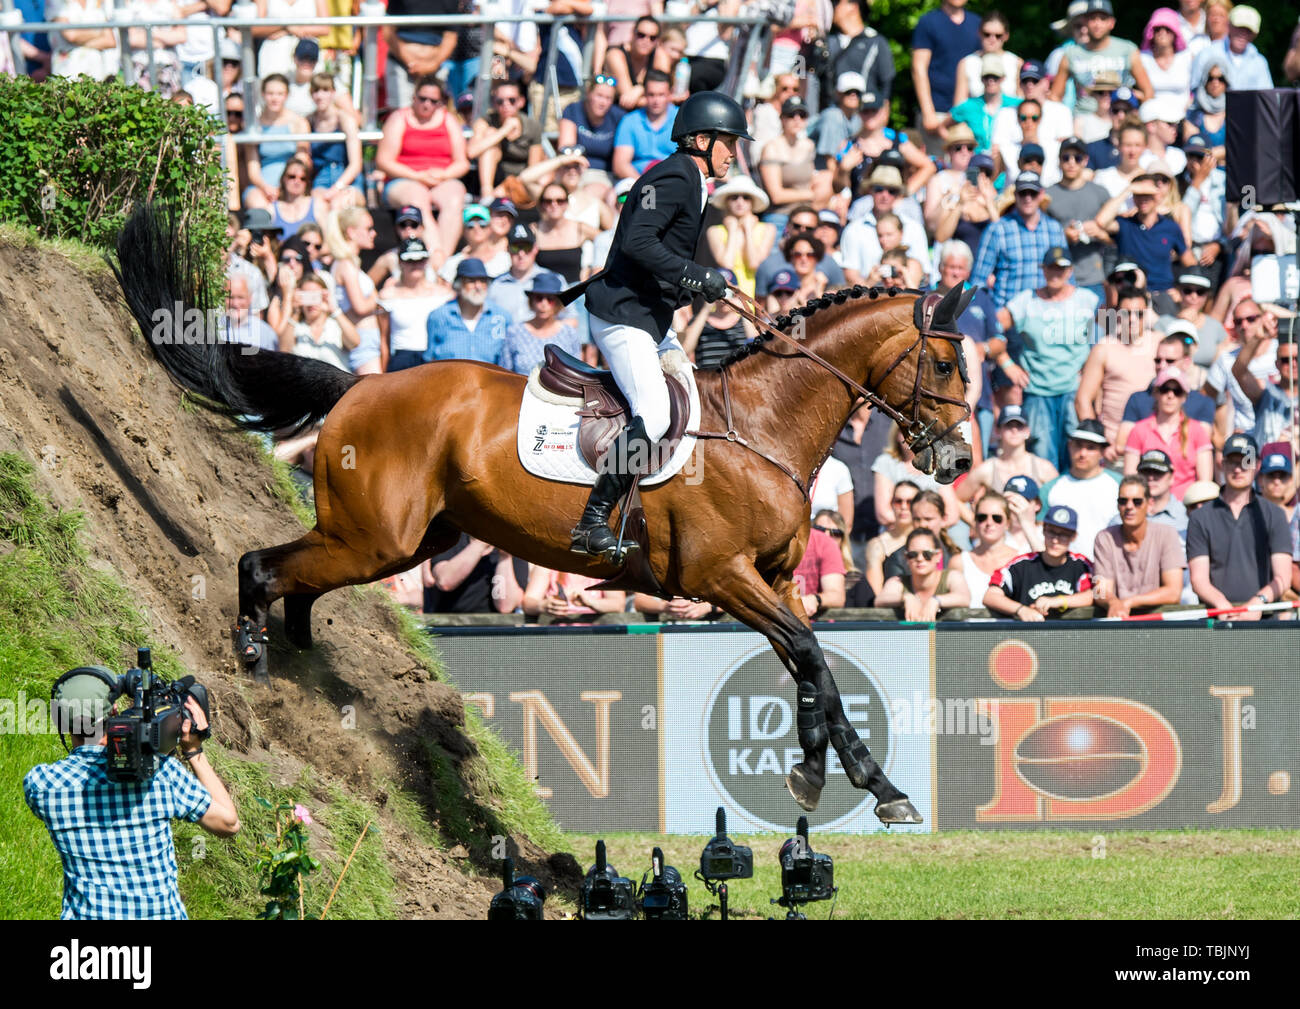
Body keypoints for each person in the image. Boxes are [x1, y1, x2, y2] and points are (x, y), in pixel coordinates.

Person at [562, 91, 746, 562]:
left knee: (693, 403)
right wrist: (696, 275)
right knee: (657, 413)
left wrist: (691, 288)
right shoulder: (675, 174)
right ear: (701, 139)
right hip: (623, 316)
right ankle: (591, 521)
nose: (734, 152)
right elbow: (638, 244)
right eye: (728, 142)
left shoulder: (693, 180)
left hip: (650, 317)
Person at [24, 684, 239, 919]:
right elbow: (228, 824)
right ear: (114, 712)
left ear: (61, 722)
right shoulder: (162, 773)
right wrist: (194, 751)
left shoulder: (42, 786)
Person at [991, 245, 1098, 469]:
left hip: (1074, 390)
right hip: (1038, 391)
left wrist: (1093, 369)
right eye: (1050, 268)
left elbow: (1117, 331)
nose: (1055, 273)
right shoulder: (1026, 301)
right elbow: (992, 328)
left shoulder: (1087, 300)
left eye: (1061, 269)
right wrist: (1006, 363)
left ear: (1070, 271)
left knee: (1078, 453)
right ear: (1042, 269)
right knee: (1042, 456)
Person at [1187, 433, 1292, 615]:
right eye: (1233, 462)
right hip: (1217, 621)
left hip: (1264, 621)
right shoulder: (1200, 518)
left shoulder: (1275, 515)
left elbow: (1283, 578)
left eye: (1246, 462)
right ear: (1222, 464)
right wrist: (1221, 604)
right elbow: (1198, 579)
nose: (1239, 469)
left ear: (1257, 465)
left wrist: (1257, 603)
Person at [375, 75, 470, 263]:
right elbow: (384, 160)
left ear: (440, 102)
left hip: (440, 178)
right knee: (417, 198)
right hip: (403, 179)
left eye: (433, 101)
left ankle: (442, 262)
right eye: (422, 99)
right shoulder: (399, 119)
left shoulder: (448, 120)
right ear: (414, 98)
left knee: (455, 196)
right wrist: (417, 175)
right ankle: (438, 260)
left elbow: (462, 162)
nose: (427, 104)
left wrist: (444, 174)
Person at [1076, 285, 1160, 452]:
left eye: (1139, 314)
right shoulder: (1104, 348)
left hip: (1155, 443)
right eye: (1126, 313)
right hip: (1115, 446)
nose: (1133, 319)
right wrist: (1100, 442)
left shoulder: (1161, 344)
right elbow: (1083, 400)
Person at [1092, 474, 1186, 616]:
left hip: (1157, 623)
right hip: (1118, 620)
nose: (1129, 506)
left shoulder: (1167, 534)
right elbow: (1100, 591)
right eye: (1123, 501)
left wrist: (1129, 602)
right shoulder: (1104, 538)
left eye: (1137, 501)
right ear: (1117, 505)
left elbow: (1173, 592)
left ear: (1150, 504)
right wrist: (1113, 603)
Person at [973, 172, 1068, 311]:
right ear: (1015, 195)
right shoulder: (997, 230)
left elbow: (1066, 275)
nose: (1028, 198)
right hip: (1007, 317)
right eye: (1023, 193)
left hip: (1047, 314)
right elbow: (979, 282)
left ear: (1041, 195)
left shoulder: (1055, 229)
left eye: (1033, 193)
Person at [983, 504, 1095, 620]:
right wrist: (1021, 609)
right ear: (1043, 531)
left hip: (1072, 635)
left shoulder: (1081, 565)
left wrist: (1058, 601)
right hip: (1028, 634)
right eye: (1051, 532)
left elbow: (1097, 595)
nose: (1055, 540)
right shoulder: (1023, 565)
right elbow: (990, 596)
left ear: (1073, 537)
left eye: (1064, 535)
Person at [1039, 419, 1122, 562]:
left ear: (1102, 452)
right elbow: (1040, 532)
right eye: (1078, 445)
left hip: (1109, 567)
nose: (1083, 453)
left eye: (1090, 447)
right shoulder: (1050, 488)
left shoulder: (1120, 485)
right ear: (1069, 446)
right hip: (1064, 572)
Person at [1124, 366, 1213, 498]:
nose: (1170, 396)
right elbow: (1131, 479)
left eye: (1177, 391)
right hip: (1148, 503)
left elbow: (1205, 483)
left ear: (1184, 397)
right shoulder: (1138, 430)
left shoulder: (1197, 430)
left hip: (1186, 505)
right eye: (1165, 389)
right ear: (1156, 393)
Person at [1050, 0, 1153, 114]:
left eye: (1102, 19)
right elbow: (1055, 96)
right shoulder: (1071, 54)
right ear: (1085, 22)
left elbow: (1148, 92)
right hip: (1084, 120)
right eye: (1093, 18)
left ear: (1111, 23)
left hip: (1120, 117)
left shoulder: (1128, 50)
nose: (1097, 24)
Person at [911, 0, 982, 154]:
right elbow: (919, 68)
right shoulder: (928, 22)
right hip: (938, 113)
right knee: (937, 168)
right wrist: (928, 113)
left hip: (969, 115)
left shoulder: (977, 23)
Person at [1044, 137, 1110, 301]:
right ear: (1059, 161)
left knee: (1097, 326)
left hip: (1093, 276)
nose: (1071, 163)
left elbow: (1116, 236)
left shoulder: (1100, 193)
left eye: (1077, 158)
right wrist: (1063, 236)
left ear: (1085, 161)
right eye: (1066, 158)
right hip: (1058, 278)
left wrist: (1100, 233)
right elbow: (1039, 235)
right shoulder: (1047, 195)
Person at [958, 405, 1058, 503]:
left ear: (1027, 431)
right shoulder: (986, 469)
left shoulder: (1044, 468)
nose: (1014, 430)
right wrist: (973, 519)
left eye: (1019, 426)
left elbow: (1060, 500)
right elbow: (957, 499)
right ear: (998, 431)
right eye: (1008, 425)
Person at [327, 206, 385, 374]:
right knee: (374, 397)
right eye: (368, 229)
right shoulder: (345, 265)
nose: (373, 233)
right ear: (351, 232)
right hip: (362, 341)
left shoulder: (349, 263)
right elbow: (359, 306)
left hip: (367, 340)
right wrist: (380, 296)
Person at [380, 238, 449, 372]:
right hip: (402, 359)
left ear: (427, 261)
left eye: (420, 260)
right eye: (410, 260)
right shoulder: (387, 296)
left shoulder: (444, 294)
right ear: (400, 262)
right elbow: (384, 341)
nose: (415, 265)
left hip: (436, 358)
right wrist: (381, 374)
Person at [243, 75, 312, 210]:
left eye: (280, 94)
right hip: (262, 187)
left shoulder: (299, 123)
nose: (275, 98)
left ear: (287, 95)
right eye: (270, 93)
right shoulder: (254, 126)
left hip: (292, 184)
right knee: (257, 203)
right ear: (263, 95)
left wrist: (285, 187)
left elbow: (302, 160)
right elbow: (253, 168)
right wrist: (266, 188)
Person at [469, 79, 545, 200]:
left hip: (519, 183)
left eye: (512, 100)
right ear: (494, 103)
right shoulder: (485, 121)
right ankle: (487, 196)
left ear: (521, 102)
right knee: (490, 132)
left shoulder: (532, 126)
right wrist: (504, 130)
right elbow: (472, 152)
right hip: (492, 182)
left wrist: (507, 186)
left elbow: (533, 170)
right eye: (500, 101)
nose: (506, 104)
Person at [424, 258, 511, 365]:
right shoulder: (439, 316)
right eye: (471, 281)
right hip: (450, 380)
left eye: (482, 280)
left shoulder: (502, 317)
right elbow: (429, 360)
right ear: (458, 284)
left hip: (491, 380)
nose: (478, 286)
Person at [876, 527, 971, 620]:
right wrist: (905, 598)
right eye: (913, 554)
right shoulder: (898, 582)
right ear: (906, 558)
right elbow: (880, 600)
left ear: (938, 556)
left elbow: (964, 598)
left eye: (927, 554)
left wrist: (936, 600)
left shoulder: (952, 577)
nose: (920, 559)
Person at [705, 175, 775, 300]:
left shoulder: (768, 228)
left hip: (757, 297)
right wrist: (732, 230)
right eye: (734, 197)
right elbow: (727, 264)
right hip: (726, 298)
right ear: (727, 201)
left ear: (752, 201)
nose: (740, 201)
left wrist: (747, 230)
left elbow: (754, 263)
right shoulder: (714, 231)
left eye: (746, 197)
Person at [275, 269, 359, 371]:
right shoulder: (296, 327)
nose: (311, 303)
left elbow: (355, 343)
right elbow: (284, 350)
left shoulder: (335, 325)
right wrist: (296, 311)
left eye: (315, 296)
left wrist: (333, 309)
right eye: (306, 296)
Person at [758, 97, 822, 230]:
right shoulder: (771, 148)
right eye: (791, 115)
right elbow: (776, 196)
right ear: (782, 118)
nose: (797, 119)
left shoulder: (809, 146)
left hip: (806, 215)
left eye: (802, 115)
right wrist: (810, 194)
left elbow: (815, 181)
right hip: (780, 216)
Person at [1231, 323, 1298, 451]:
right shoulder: (1266, 390)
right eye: (1286, 360)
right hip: (1266, 467)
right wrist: (1258, 337)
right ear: (1277, 364)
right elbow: (1239, 371)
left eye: (1297, 359)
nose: (1293, 364)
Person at [501, 273, 583, 375]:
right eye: (539, 298)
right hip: (521, 388)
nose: (544, 304)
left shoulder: (569, 333)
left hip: (559, 390)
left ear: (557, 303)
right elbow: (505, 372)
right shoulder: (514, 332)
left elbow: (577, 372)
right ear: (531, 301)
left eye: (550, 299)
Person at [424, 534, 528, 615]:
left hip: (497, 633)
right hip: (449, 630)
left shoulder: (513, 546)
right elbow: (445, 581)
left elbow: (505, 607)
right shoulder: (452, 538)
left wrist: (505, 558)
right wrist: (481, 543)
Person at [951, 490, 1019, 612]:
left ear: (1008, 523)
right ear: (975, 522)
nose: (989, 523)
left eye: (997, 518)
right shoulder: (959, 562)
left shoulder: (1020, 560)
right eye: (982, 517)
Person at [559, 76, 627, 195]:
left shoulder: (619, 117)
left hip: (604, 175)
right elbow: (567, 150)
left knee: (592, 192)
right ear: (588, 93)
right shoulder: (573, 110)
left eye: (608, 98)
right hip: (575, 170)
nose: (603, 102)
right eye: (599, 96)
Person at [307, 72, 364, 211]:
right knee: (316, 206)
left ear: (333, 93)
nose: (320, 96)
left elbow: (356, 164)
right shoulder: (309, 120)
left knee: (338, 205)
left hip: (347, 177)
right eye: (316, 91)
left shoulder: (344, 119)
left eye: (325, 90)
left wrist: (337, 188)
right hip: (321, 178)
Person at [678, 269, 756, 367]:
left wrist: (743, 309)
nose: (724, 296)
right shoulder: (700, 321)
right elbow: (685, 349)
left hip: (739, 379)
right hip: (708, 379)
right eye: (718, 290)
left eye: (728, 291)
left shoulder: (743, 322)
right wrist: (705, 310)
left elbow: (756, 344)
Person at [1188, 4, 1272, 91]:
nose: (1242, 34)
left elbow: (1266, 96)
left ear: (1255, 35)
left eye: (1248, 31)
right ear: (1229, 26)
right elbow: (1194, 91)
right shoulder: (1207, 54)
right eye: (1239, 28)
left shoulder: (1259, 62)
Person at [612, 71, 679, 179]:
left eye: (661, 95)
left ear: (670, 94)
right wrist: (643, 186)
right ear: (644, 95)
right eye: (651, 94)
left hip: (674, 179)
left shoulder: (682, 119)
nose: (656, 100)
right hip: (637, 181)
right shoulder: (630, 120)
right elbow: (620, 165)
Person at [864, 478, 918, 600]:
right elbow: (875, 593)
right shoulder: (878, 545)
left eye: (910, 502)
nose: (904, 507)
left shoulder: (929, 539)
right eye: (898, 501)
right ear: (891, 504)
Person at [952, 10, 1021, 105]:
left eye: (998, 36)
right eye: (987, 34)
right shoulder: (966, 63)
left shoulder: (1016, 63)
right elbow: (959, 107)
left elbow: (1024, 103)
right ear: (979, 33)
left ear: (1006, 36)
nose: (992, 39)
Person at [522, 566, 627, 622]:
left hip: (597, 638)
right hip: (556, 638)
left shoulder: (604, 567)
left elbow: (618, 605)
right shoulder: (546, 566)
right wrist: (543, 606)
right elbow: (528, 602)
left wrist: (590, 602)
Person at [1139, 7, 1194, 106]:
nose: (1162, 33)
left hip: (1183, 115)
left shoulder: (1187, 57)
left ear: (1175, 32)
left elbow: (1196, 91)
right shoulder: (1142, 59)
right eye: (1158, 29)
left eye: (1167, 29)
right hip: (1150, 115)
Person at [792, 524, 847, 619]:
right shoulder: (762, 542)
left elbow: (837, 596)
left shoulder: (823, 542)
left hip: (815, 624)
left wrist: (815, 599)